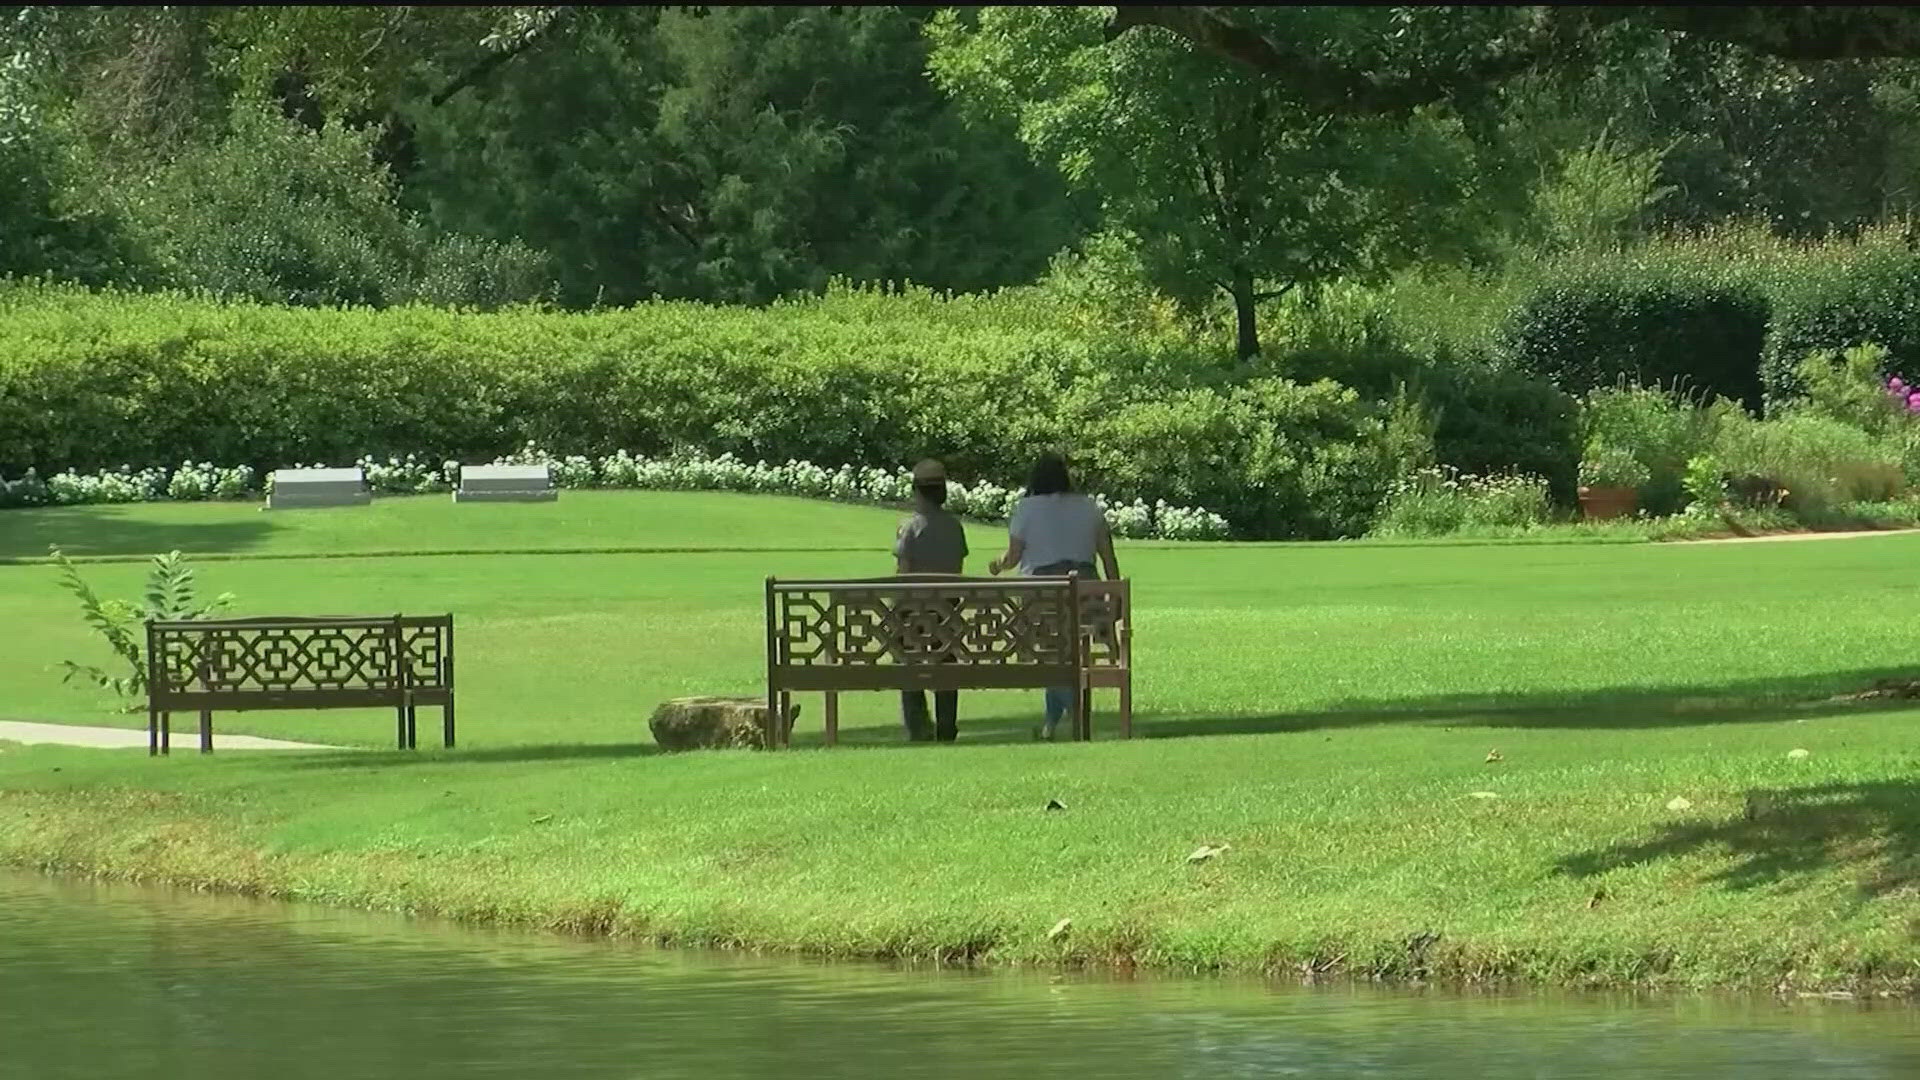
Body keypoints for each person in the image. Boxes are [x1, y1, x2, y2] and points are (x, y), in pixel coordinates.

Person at [987, 451, 1120, 741]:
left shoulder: (1027, 508)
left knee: (1052, 657)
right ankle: (1050, 725)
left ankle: (1075, 713)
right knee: (1066, 655)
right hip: (1087, 597)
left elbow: (1013, 556)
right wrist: (1114, 599)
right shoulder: (1088, 507)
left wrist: (998, 565)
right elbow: (1108, 558)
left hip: (1042, 597)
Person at [893, 458, 968, 742]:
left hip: (913, 616)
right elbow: (957, 574)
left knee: (905, 655)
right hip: (946, 615)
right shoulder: (955, 527)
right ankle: (946, 723)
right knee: (946, 656)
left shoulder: (909, 528)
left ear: (917, 491)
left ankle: (918, 725)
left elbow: (903, 576)